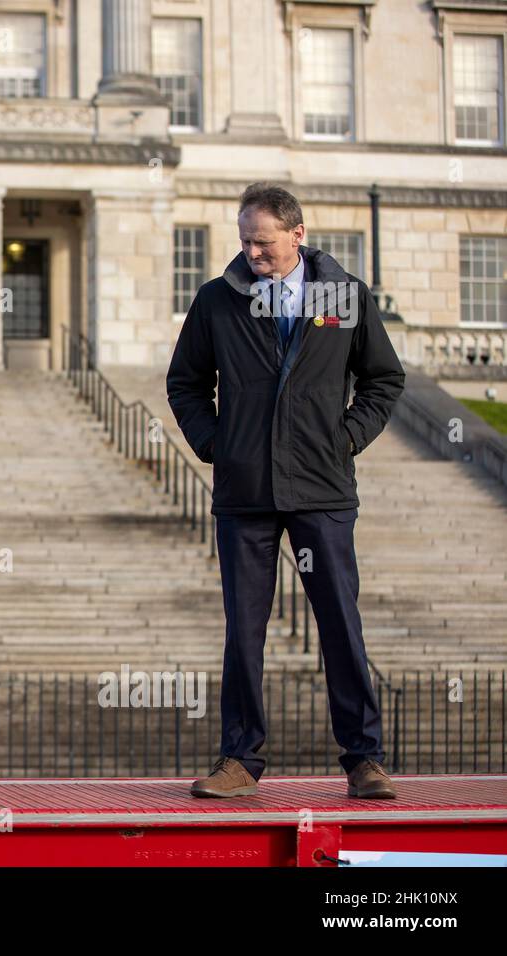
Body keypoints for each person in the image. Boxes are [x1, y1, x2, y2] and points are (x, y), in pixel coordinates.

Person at [166, 182, 405, 800]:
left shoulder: (344, 297)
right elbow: (185, 383)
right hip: (244, 491)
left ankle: (364, 759)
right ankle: (239, 760)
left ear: (298, 235)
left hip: (323, 488)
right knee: (243, 630)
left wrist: (347, 438)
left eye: (263, 242)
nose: (251, 252)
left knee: (340, 625)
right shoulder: (216, 300)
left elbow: (383, 379)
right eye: (244, 240)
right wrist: (216, 444)